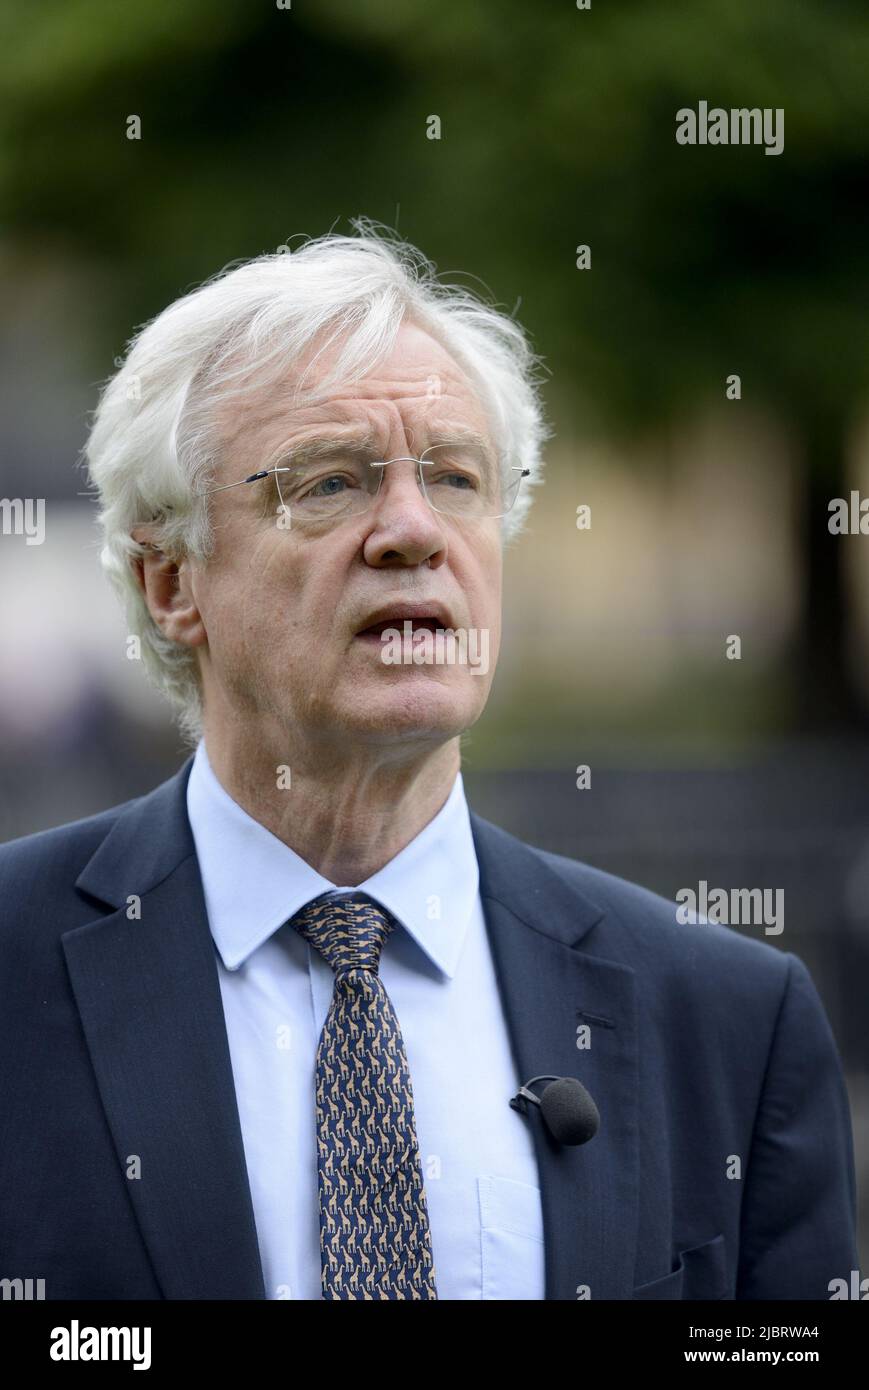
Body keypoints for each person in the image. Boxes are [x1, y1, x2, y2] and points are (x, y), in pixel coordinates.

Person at [0, 225, 859, 1300]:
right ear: (173, 581)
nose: (410, 530)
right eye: (326, 484)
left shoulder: (727, 1018)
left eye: (454, 479)